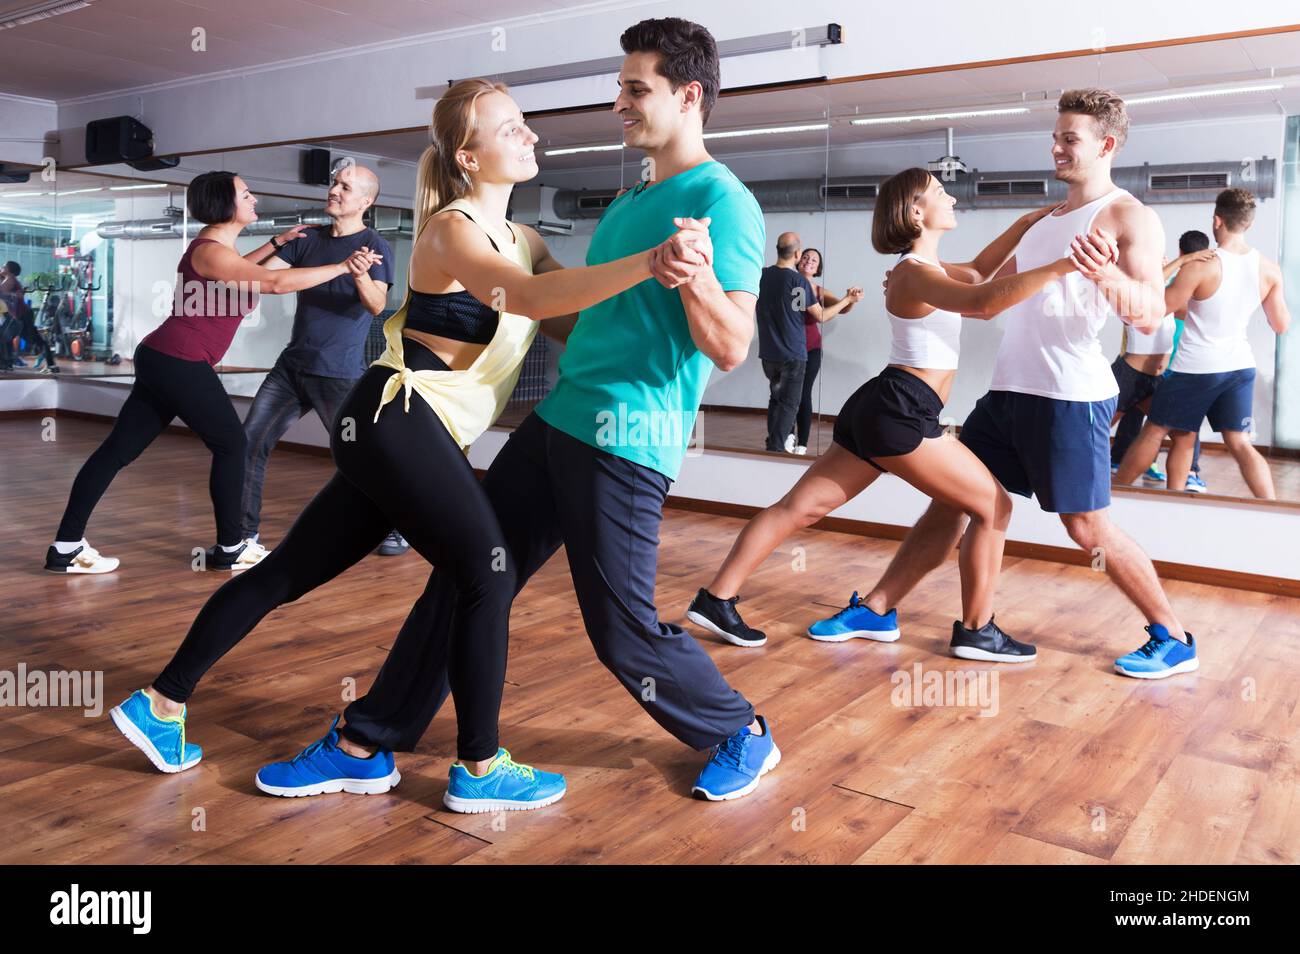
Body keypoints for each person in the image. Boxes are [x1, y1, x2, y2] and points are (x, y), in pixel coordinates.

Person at [107, 78, 712, 813]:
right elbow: (517, 299)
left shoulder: (528, 241)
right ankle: (480, 769)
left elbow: (572, 322)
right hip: (393, 418)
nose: (531, 138)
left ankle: (160, 704)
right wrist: (651, 260)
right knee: (488, 571)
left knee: (290, 570)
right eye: (512, 128)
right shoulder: (452, 229)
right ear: (468, 154)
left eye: (527, 127)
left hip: (401, 432)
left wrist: (690, 311)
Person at [336, 17, 780, 803]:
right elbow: (585, 315)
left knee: (621, 631)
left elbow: (732, 344)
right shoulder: (632, 199)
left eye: (634, 90)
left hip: (629, 434)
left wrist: (699, 279)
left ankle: (737, 727)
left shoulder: (722, 200)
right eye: (620, 89)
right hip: (560, 417)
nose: (620, 103)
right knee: (473, 575)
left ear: (689, 95)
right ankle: (367, 739)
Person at [803, 89, 1201, 680]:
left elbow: (1148, 312)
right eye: (1057, 135)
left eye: (1071, 138)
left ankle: (1172, 635)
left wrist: (1104, 270)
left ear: (1106, 145)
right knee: (955, 501)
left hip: (1071, 396)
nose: (1058, 147)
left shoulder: (1128, 216)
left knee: (1085, 526)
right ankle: (881, 610)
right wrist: (918, 275)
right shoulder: (1045, 218)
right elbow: (986, 284)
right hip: (1010, 390)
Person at [686, 170, 1075, 661]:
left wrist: (1024, 224)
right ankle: (978, 630)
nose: (952, 198)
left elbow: (978, 274)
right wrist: (1064, 265)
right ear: (916, 212)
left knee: (799, 509)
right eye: (940, 193)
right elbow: (981, 303)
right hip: (902, 409)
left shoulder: (925, 269)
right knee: (994, 507)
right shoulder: (913, 272)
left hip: (885, 405)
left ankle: (716, 598)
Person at [45, 172, 365, 575]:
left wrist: (276, 242)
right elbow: (277, 283)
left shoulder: (218, 253)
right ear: (224, 204)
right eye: (245, 193)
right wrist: (342, 266)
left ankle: (66, 546)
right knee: (232, 444)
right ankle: (231, 547)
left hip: (165, 357)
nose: (253, 198)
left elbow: (239, 271)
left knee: (117, 451)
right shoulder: (210, 251)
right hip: (179, 360)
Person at [236, 162, 410, 556]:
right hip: (290, 369)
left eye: (344, 187)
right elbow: (257, 279)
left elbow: (377, 305)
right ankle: (244, 537)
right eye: (334, 183)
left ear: (365, 201)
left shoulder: (374, 246)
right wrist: (279, 243)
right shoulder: (307, 239)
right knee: (249, 443)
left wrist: (361, 276)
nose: (334, 190)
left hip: (338, 374)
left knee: (361, 455)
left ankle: (396, 525)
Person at [1116, 188, 1290, 498]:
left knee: (1155, 429)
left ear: (1217, 221)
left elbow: (1161, 309)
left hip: (1195, 369)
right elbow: (1280, 324)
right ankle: (1271, 506)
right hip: (1239, 367)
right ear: (1248, 224)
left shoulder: (1201, 265)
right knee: (1233, 441)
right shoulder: (1268, 268)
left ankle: (1116, 497)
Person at [1109, 231, 1211, 490]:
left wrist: (1182, 267)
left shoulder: (1172, 291)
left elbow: (1189, 308)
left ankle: (1173, 493)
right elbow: (1149, 292)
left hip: (1157, 378)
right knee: (1095, 428)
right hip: (1130, 375)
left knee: (1181, 432)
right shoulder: (1136, 287)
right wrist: (1179, 262)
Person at [786, 247, 863, 454]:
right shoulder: (788, 283)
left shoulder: (819, 291)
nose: (809, 261)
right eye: (805, 257)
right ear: (797, 259)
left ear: (818, 268)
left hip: (811, 349)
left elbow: (842, 307)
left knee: (803, 394)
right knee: (787, 394)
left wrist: (850, 298)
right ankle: (787, 436)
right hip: (788, 348)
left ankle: (801, 444)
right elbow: (796, 307)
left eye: (814, 260)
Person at [756, 231, 814, 451]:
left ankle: (773, 443)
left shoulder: (761, 275)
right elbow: (815, 314)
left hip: (769, 353)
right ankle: (776, 448)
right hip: (792, 353)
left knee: (776, 399)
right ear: (797, 254)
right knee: (789, 404)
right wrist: (848, 299)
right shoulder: (797, 280)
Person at [0, 260, 57, 373]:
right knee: (6, 337)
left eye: (4, 266)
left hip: (21, 315)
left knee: (31, 339)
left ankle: (51, 365)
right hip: (19, 315)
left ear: (9, 270)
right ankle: (6, 364)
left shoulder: (10, 279)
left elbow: (1, 292)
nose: (2, 267)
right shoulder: (9, 280)